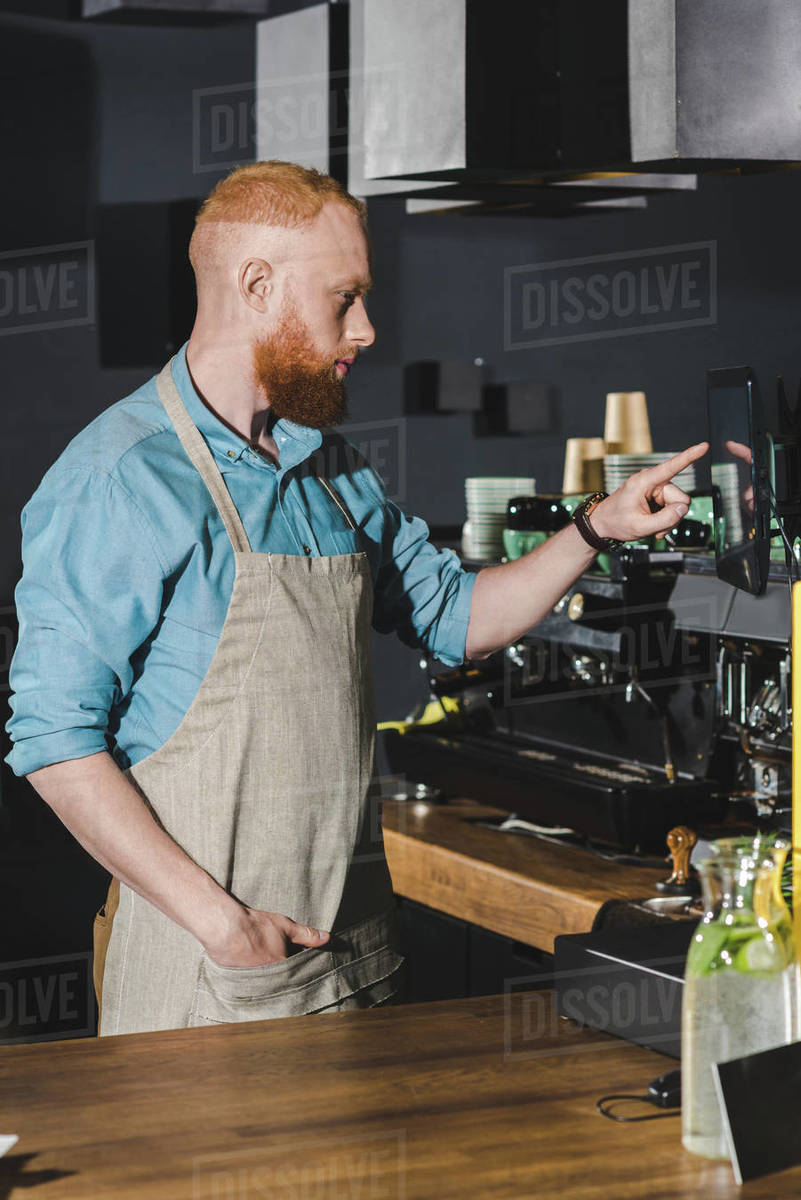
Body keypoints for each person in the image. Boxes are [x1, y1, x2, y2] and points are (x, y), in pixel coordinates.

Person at [4, 161, 707, 1036]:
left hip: (360, 959)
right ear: (255, 284)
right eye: (346, 297)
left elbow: (457, 618)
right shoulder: (121, 476)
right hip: (213, 977)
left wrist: (595, 528)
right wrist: (226, 926)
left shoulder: (330, 470)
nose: (367, 329)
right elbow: (54, 743)